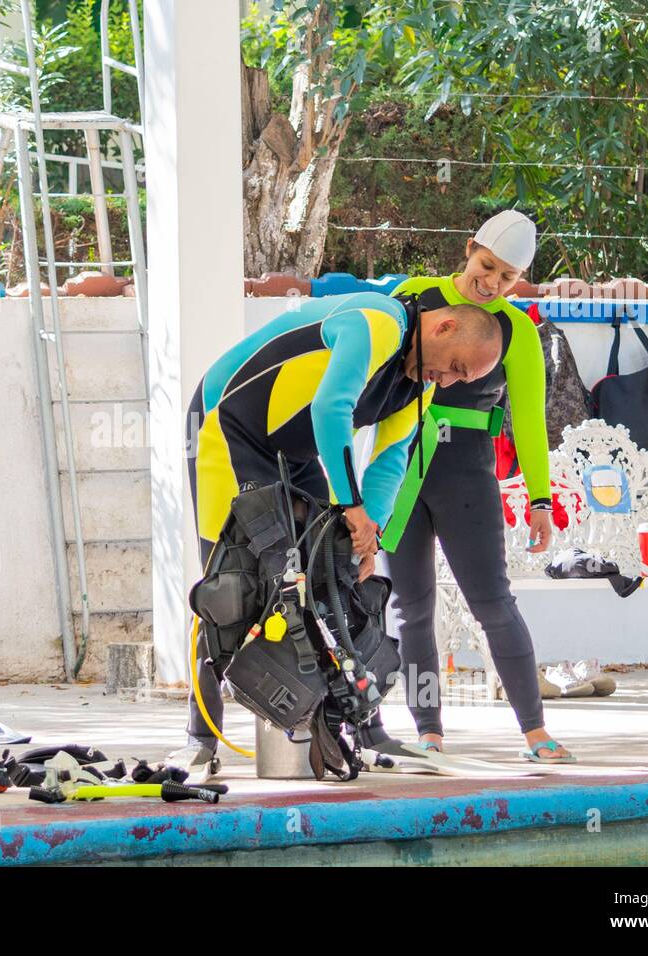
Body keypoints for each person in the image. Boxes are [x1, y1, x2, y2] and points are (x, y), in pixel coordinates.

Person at [169, 290, 504, 780]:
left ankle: (370, 734)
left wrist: (371, 537)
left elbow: (391, 459)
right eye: (453, 367)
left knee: (338, 575)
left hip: (297, 452)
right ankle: (199, 741)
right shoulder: (378, 323)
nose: (448, 381)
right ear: (443, 327)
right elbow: (332, 409)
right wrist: (351, 506)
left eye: (461, 378)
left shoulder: (421, 385)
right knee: (230, 587)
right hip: (227, 427)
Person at [385, 210, 576, 765]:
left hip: (467, 476)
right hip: (399, 471)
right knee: (411, 609)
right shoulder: (415, 297)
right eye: (487, 266)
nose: (491, 282)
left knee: (493, 602)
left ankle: (535, 730)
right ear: (470, 249)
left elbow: (531, 421)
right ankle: (428, 729)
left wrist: (541, 498)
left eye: (508, 277)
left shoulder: (518, 332)